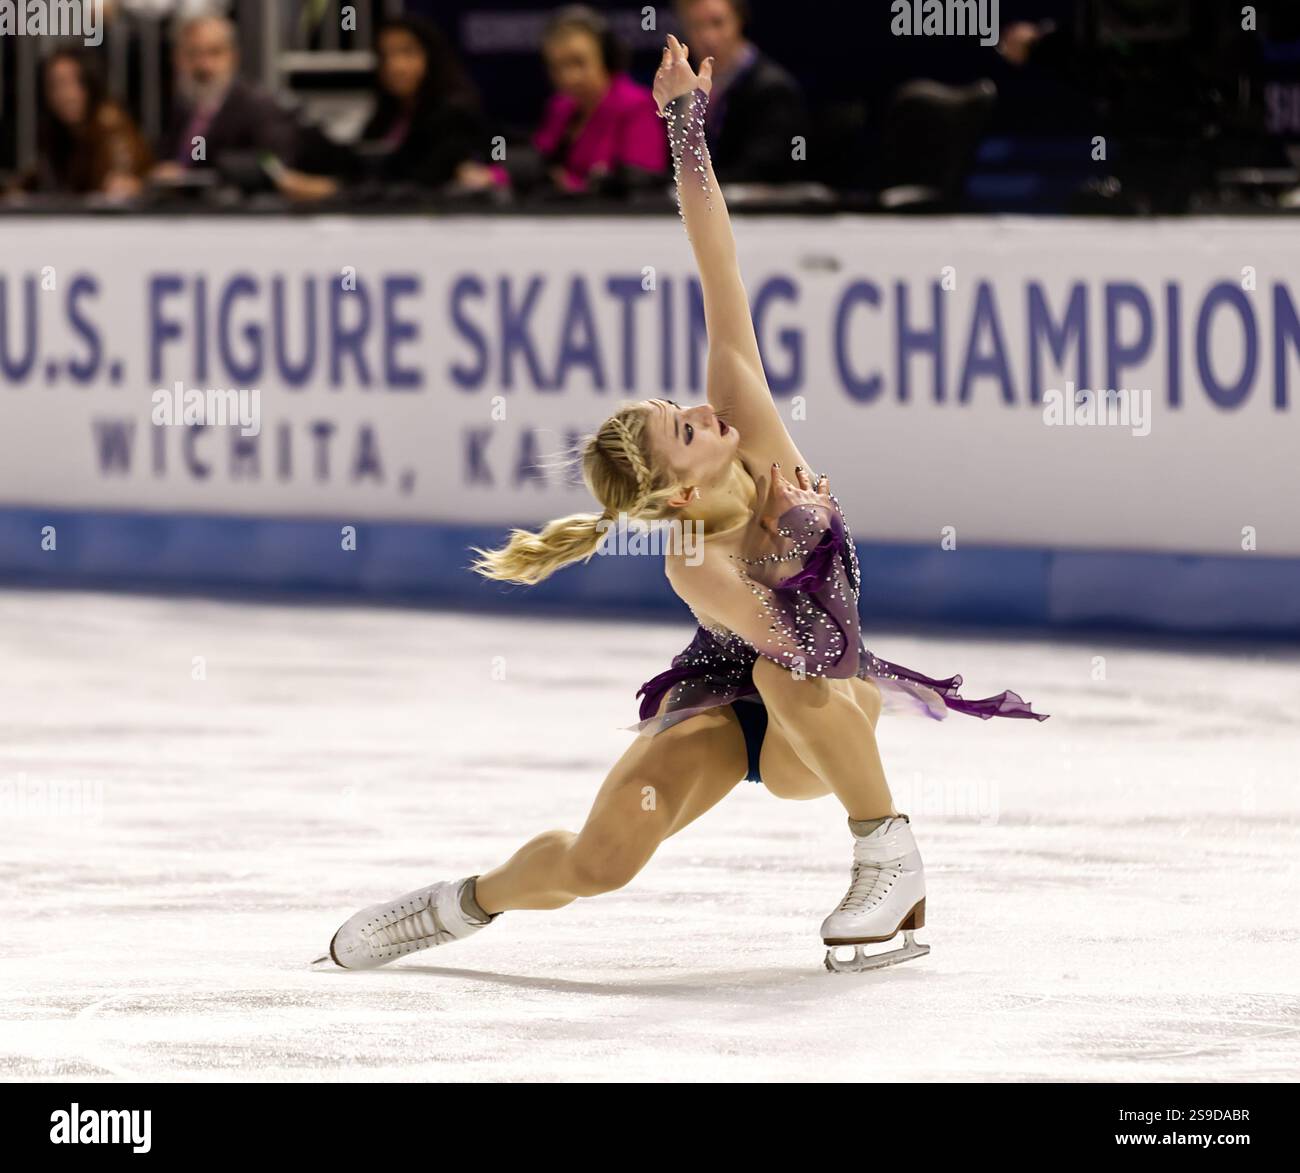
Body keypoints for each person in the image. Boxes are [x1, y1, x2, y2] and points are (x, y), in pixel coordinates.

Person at [321, 35, 1048, 977]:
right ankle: (457, 905)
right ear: (677, 488)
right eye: (684, 426)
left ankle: (888, 856)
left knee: (790, 684)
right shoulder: (692, 559)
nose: (703, 410)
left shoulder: (751, 420)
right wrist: (792, 540)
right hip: (728, 695)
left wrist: (684, 125)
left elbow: (719, 262)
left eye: (681, 406)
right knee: (601, 858)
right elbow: (793, 633)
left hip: (819, 717)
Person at [275, 15, 492, 203]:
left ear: (431, 56)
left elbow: (418, 185)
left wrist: (335, 190)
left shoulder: (453, 116)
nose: (395, 66)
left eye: (407, 53)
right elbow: (364, 165)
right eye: (386, 56)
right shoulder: (389, 113)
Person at [492, 5, 666, 196]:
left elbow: (644, 185)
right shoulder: (560, 106)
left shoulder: (636, 105)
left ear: (606, 57)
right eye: (557, 67)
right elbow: (537, 161)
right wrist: (491, 176)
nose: (568, 77)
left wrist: (573, 186)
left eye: (578, 62)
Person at [153, 15, 299, 181]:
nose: (203, 65)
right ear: (177, 58)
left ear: (233, 57)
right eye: (193, 53)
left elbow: (274, 163)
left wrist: (196, 173)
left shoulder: (257, 105)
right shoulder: (183, 106)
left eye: (215, 52)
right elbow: (174, 158)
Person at [674, 0, 807, 183]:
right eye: (696, 25)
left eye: (717, 23)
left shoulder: (773, 90)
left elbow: (762, 171)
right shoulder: (683, 90)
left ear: (739, 21)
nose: (708, 37)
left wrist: (690, 185)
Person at [14, 49, 151, 199]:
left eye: (75, 82)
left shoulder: (112, 129)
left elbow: (118, 187)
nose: (66, 94)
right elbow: (40, 180)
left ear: (91, 84)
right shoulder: (59, 132)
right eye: (56, 84)